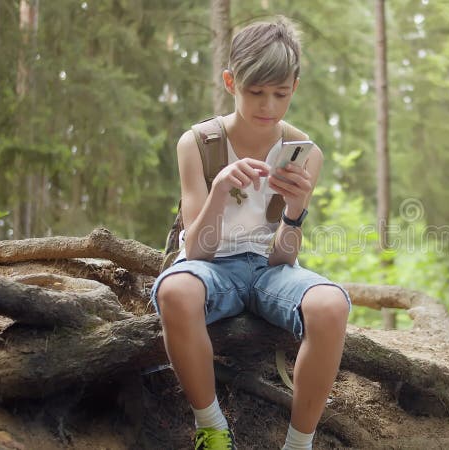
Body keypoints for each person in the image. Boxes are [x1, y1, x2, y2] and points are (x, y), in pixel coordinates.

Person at [149, 17, 351, 450]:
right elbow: (199, 253)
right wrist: (221, 188)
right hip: (212, 268)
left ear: (294, 86)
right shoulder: (199, 144)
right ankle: (213, 429)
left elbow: (282, 257)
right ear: (230, 82)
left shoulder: (304, 153)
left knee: (331, 305)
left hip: (267, 271)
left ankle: (299, 443)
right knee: (175, 293)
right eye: (255, 92)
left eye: (280, 94)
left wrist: (296, 210)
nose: (268, 107)